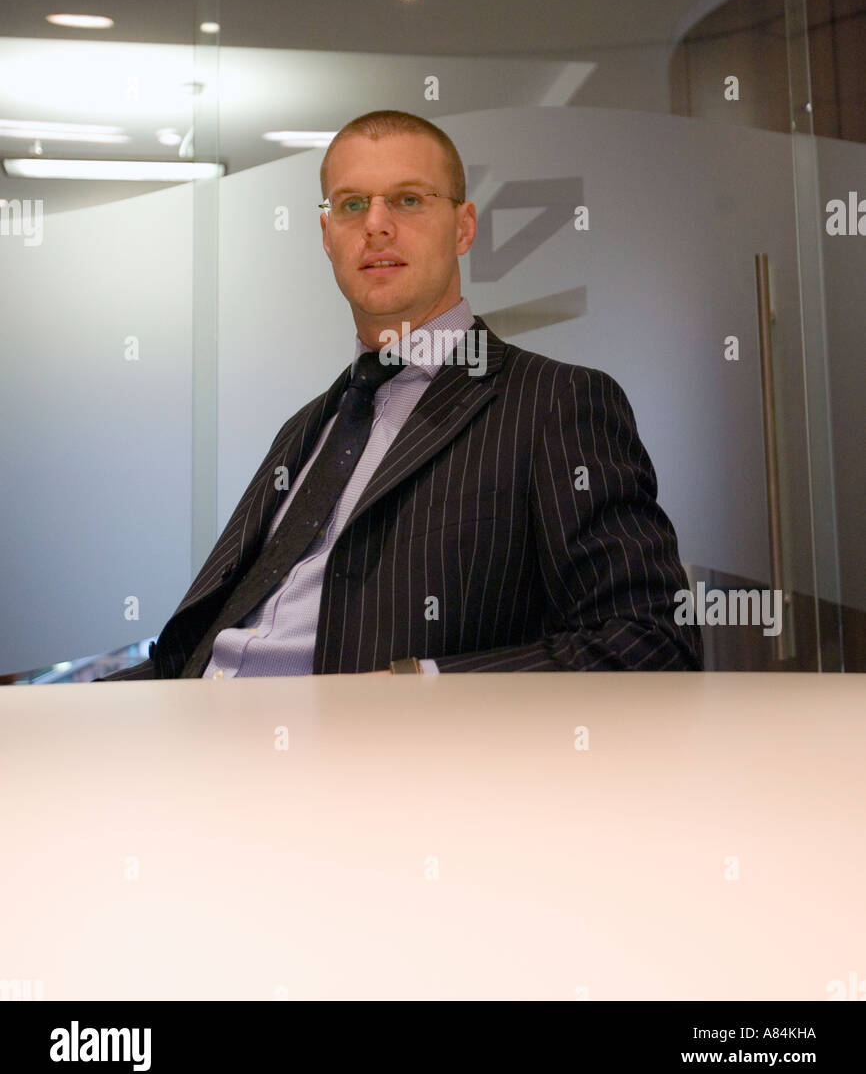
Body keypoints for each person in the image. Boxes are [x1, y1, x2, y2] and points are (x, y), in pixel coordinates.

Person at [101, 108, 702, 680]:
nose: (376, 223)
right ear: (326, 235)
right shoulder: (311, 426)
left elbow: (649, 640)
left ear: (464, 227)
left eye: (409, 200)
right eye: (351, 204)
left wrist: (417, 686)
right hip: (191, 730)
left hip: (361, 760)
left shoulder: (556, 402)